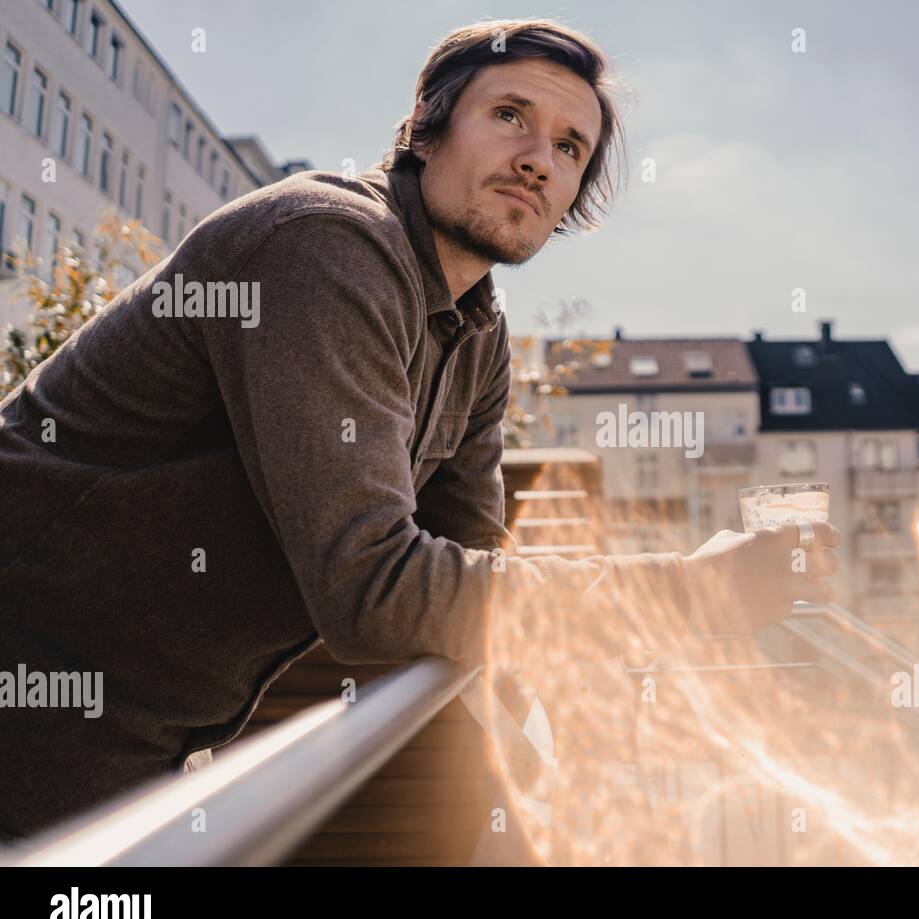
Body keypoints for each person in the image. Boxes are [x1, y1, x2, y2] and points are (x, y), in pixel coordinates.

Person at [0, 18, 838, 840]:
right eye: (510, 115)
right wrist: (690, 594)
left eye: (570, 148)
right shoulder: (324, 246)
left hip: (128, 755)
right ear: (425, 131)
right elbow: (375, 589)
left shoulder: (477, 333)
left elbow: (467, 561)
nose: (537, 160)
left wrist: (547, 712)